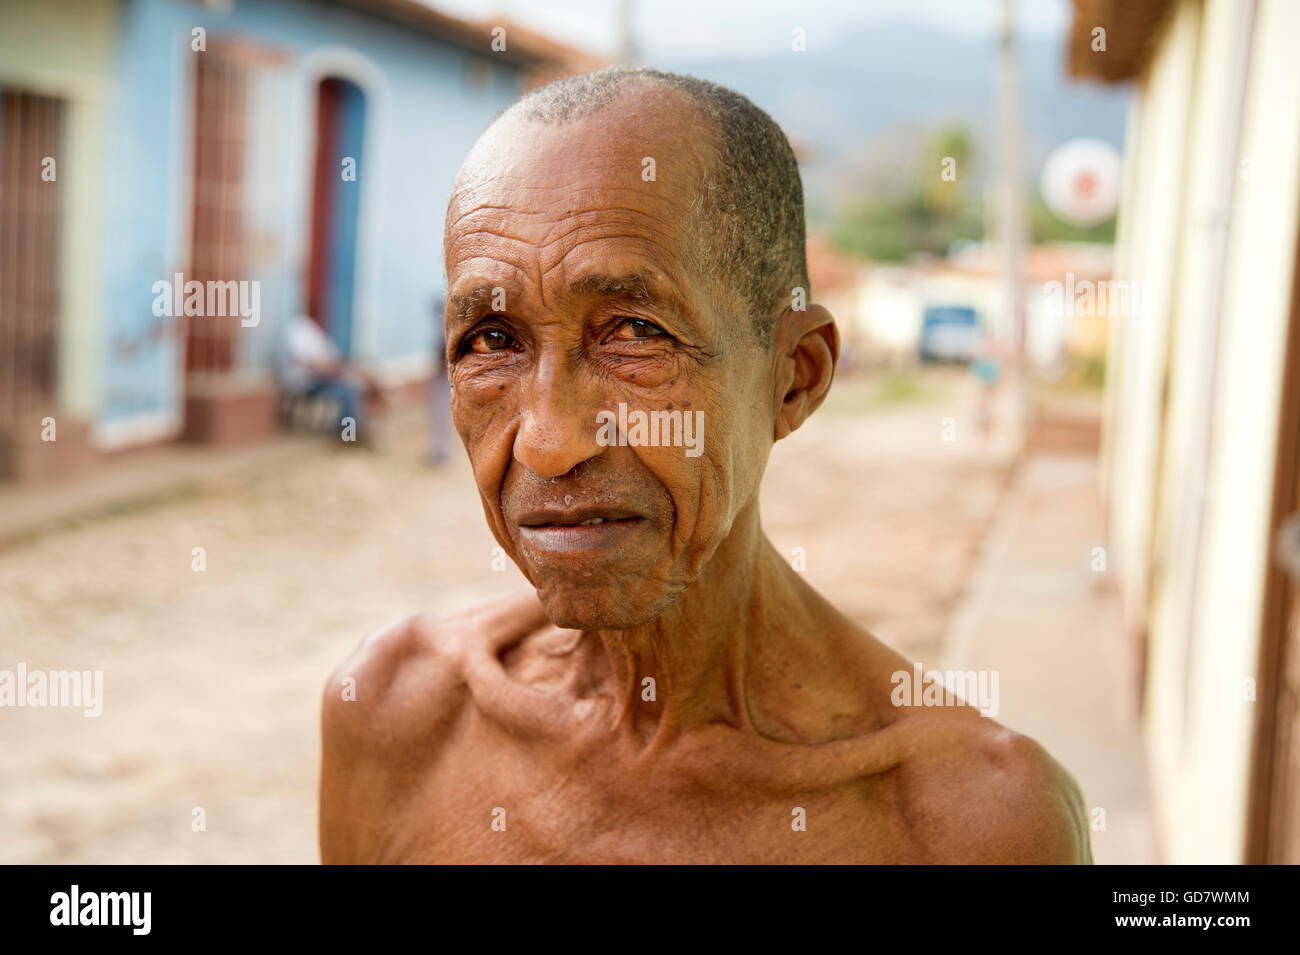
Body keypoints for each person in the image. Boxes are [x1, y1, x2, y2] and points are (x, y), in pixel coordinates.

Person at [319, 68, 1092, 863]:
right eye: (491, 341)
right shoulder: (394, 712)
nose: (547, 442)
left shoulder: (970, 824)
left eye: (634, 333)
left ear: (795, 376)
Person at [275, 313, 383, 441]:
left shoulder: (317, 333)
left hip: (321, 379)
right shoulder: (297, 330)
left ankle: (354, 430)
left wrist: (341, 369)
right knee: (346, 390)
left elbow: (331, 361)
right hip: (305, 381)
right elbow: (307, 363)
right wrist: (330, 370)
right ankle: (346, 433)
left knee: (354, 385)